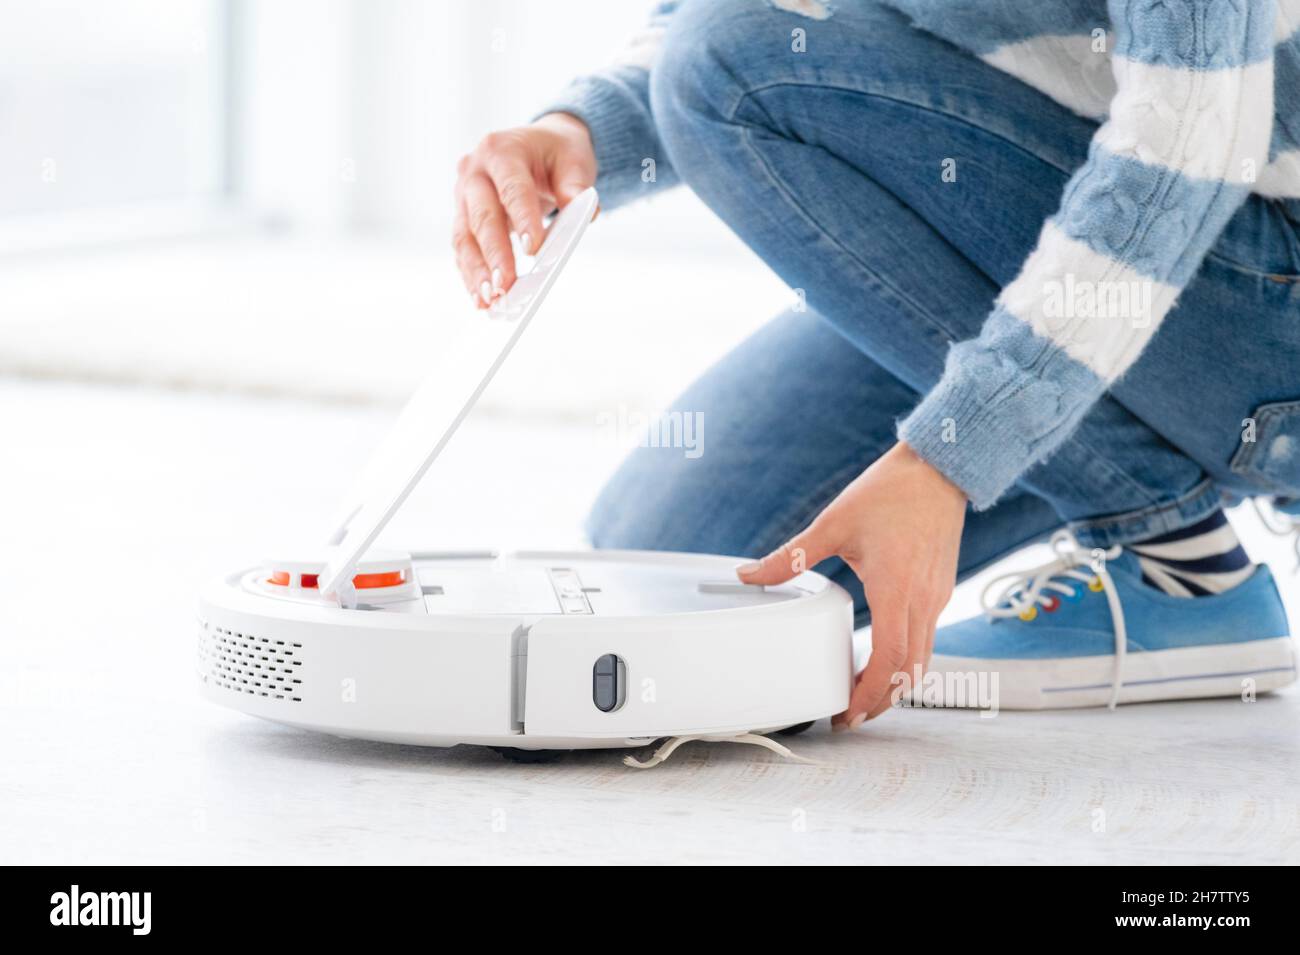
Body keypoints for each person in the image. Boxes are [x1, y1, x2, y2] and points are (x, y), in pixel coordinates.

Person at [451, 0, 1300, 727]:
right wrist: (580, 131)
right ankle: (1127, 456)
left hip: (1260, 290)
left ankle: (1181, 564)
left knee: (724, 67)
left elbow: (1193, 136)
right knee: (681, 563)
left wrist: (955, 450)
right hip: (1060, 230)